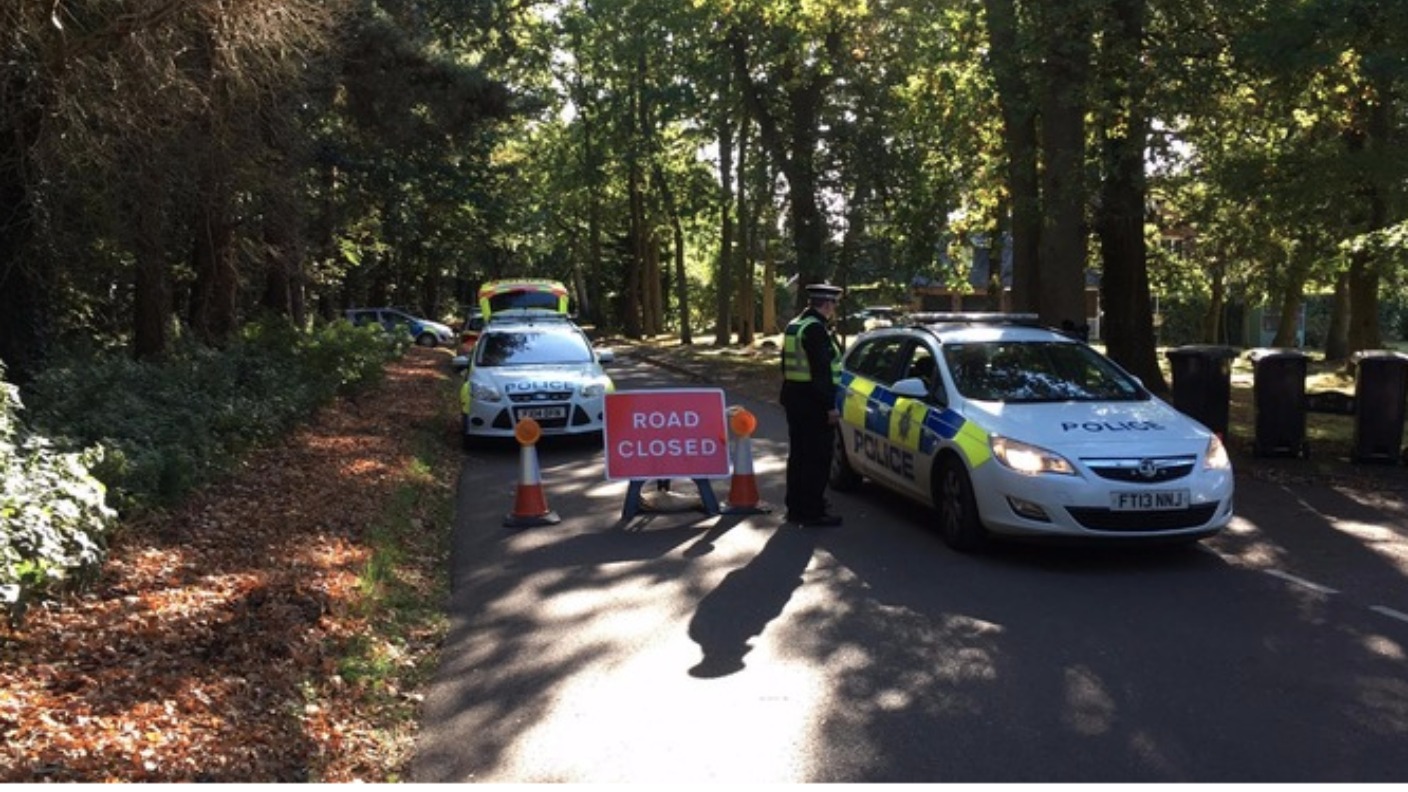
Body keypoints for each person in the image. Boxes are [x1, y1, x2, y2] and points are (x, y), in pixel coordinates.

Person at [779, 283, 845, 527]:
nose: (835, 309)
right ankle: (813, 510)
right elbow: (822, 372)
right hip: (813, 402)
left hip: (793, 396)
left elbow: (785, 365)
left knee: (799, 455)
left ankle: (796, 505)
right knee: (817, 457)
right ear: (827, 304)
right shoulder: (816, 329)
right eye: (834, 304)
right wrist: (830, 406)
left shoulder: (795, 325)